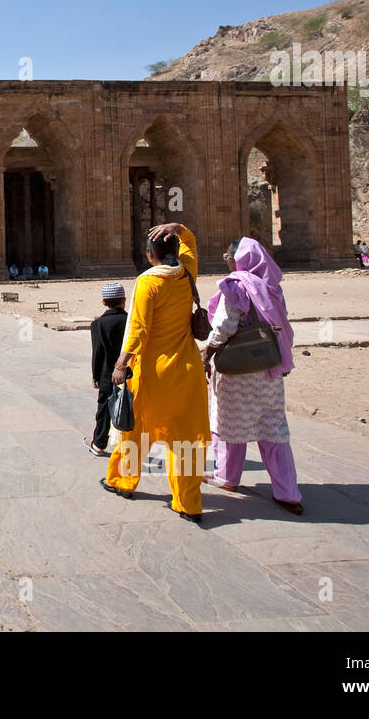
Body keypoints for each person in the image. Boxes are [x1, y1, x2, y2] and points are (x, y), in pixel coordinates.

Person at [104, 222, 209, 524]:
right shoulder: (186, 272)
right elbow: (191, 245)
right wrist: (179, 228)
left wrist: (121, 364)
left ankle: (123, 482)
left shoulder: (148, 283)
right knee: (186, 440)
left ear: (150, 254)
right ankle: (189, 503)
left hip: (153, 370)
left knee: (136, 432)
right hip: (187, 369)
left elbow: (138, 329)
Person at [202, 237, 302, 515]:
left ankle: (227, 477)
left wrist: (207, 350)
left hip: (238, 368)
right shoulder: (271, 288)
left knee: (227, 421)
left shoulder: (237, 286)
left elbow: (224, 325)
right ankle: (288, 492)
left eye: (228, 256)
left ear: (237, 259)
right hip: (268, 366)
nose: (227, 261)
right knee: (273, 427)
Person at [84, 283, 128, 457]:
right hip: (131, 371)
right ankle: (131, 444)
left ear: (103, 302)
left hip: (107, 373)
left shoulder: (99, 324)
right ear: (123, 301)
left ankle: (99, 443)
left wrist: (95, 375)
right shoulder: (131, 320)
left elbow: (98, 352)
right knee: (132, 407)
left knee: (104, 409)